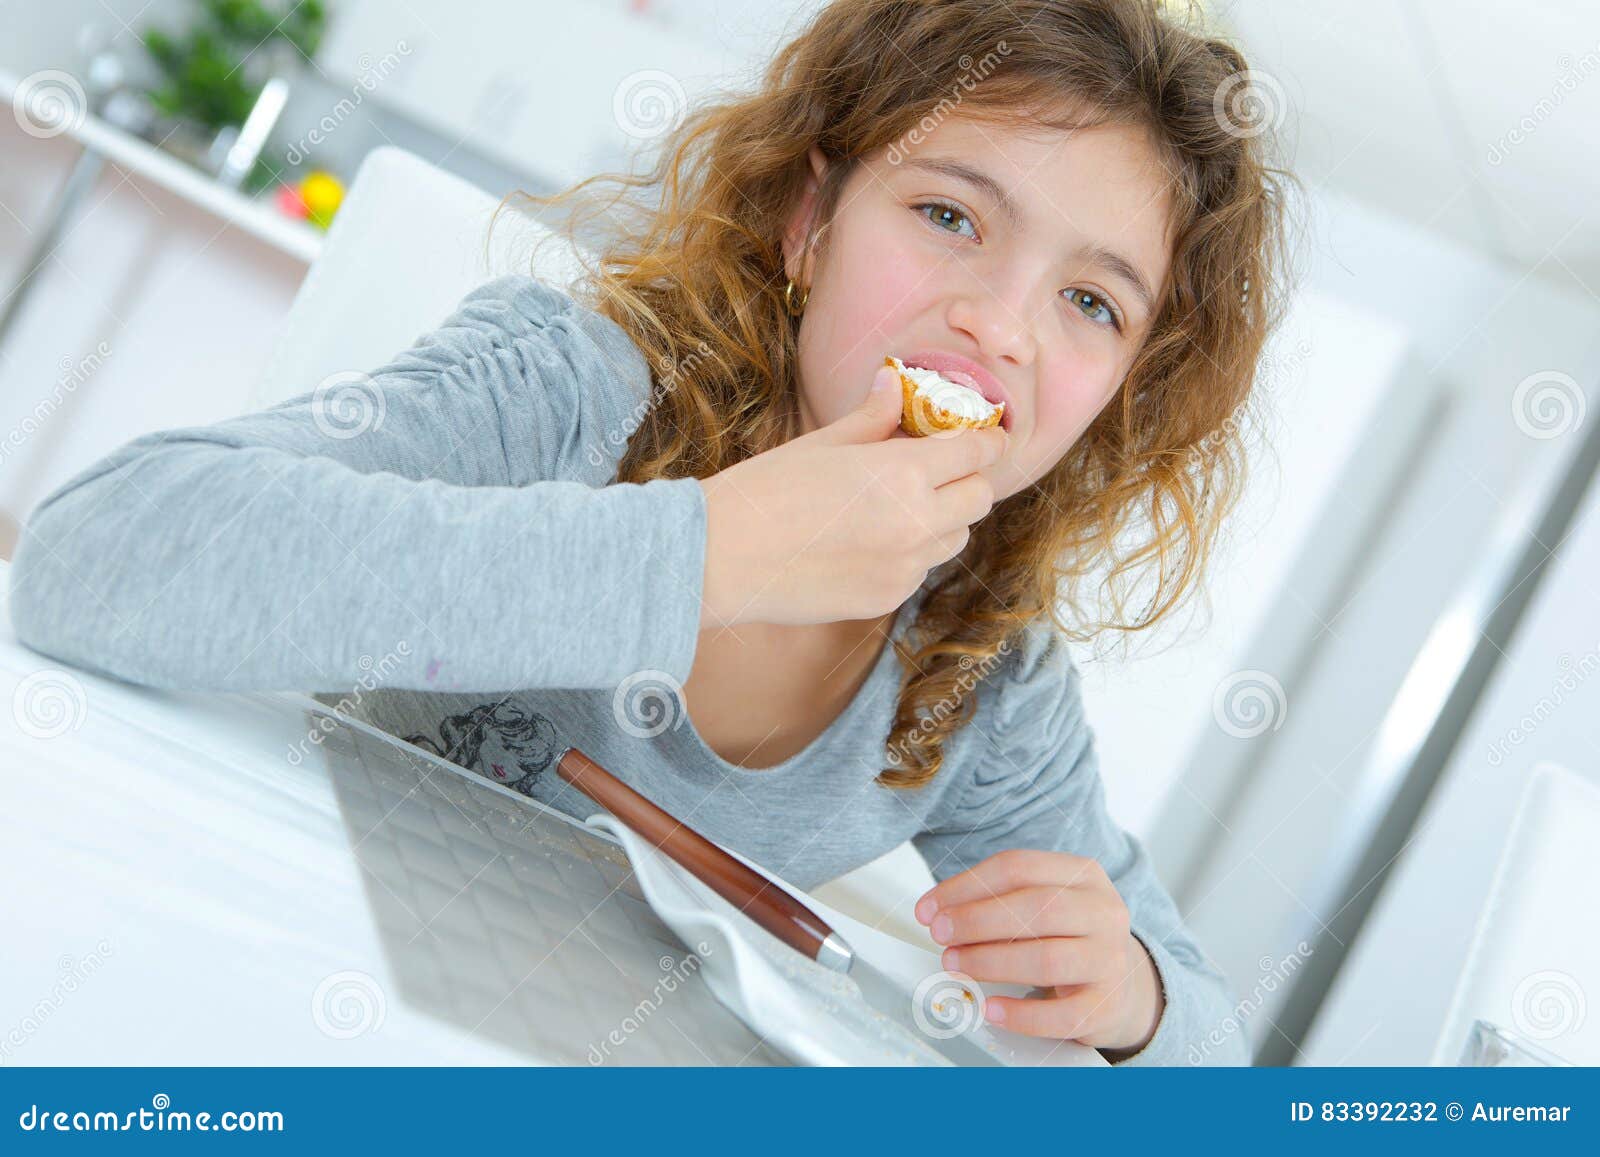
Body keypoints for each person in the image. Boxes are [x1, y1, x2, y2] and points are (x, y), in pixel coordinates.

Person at [9, 0, 1296, 1065]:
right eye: (949, 216)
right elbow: (93, 557)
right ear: (810, 224)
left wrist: (1135, 1000)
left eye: (1090, 301)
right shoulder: (570, 392)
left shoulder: (986, 676)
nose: (1000, 325)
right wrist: (704, 553)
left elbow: (1211, 1050)